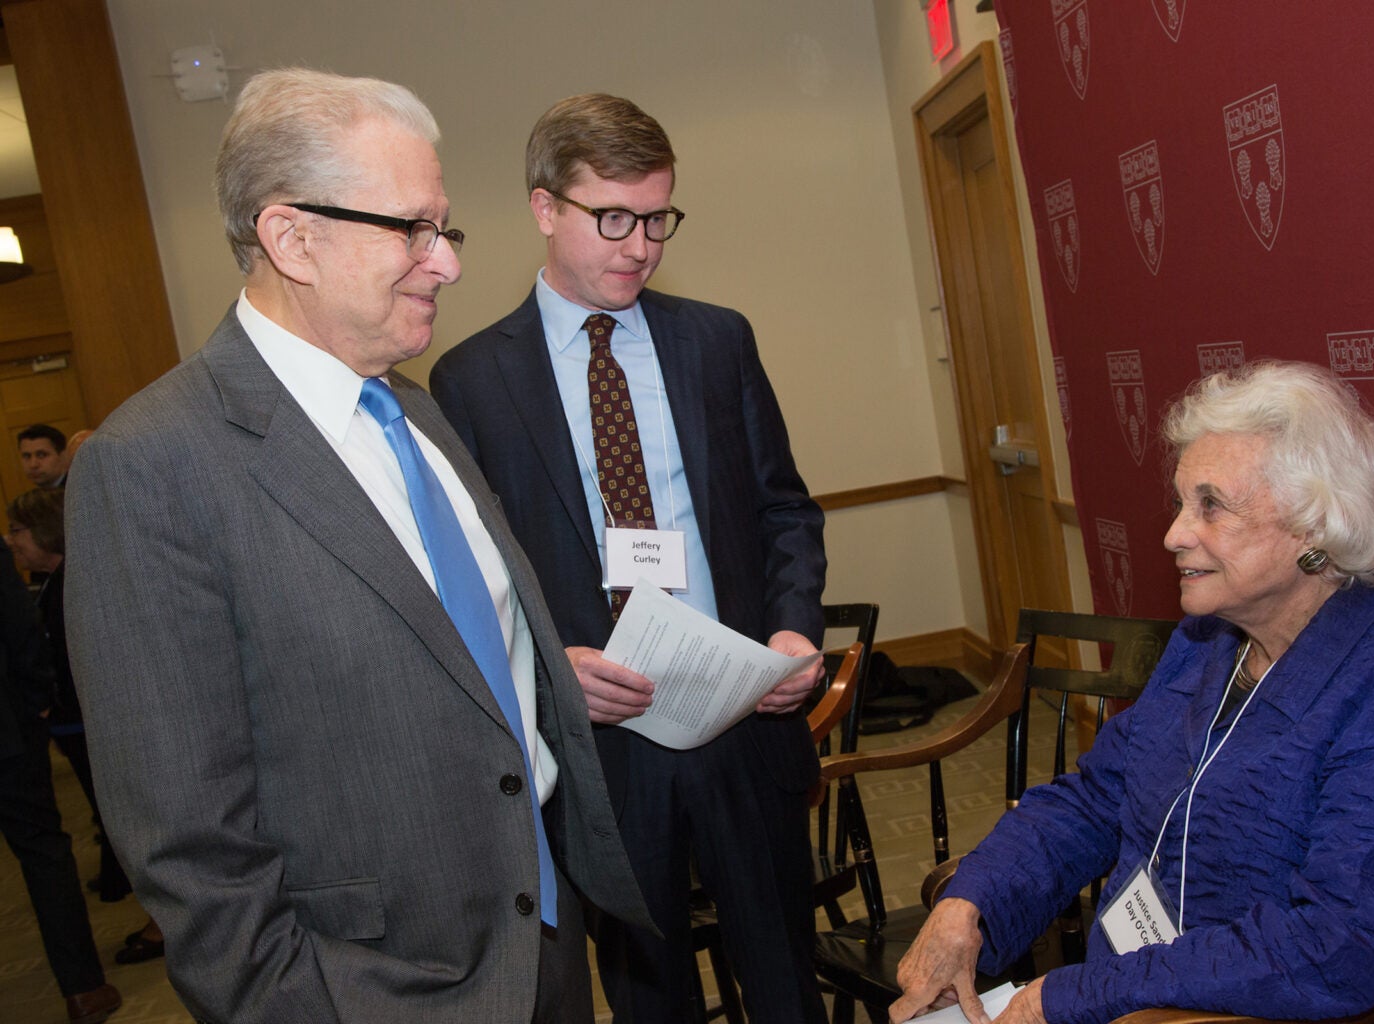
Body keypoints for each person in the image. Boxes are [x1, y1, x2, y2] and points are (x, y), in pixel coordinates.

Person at [64, 68, 649, 1023]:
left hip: (541, 938)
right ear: (292, 237)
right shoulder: (152, 464)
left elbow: (434, 653)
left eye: (444, 229)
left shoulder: (416, 410)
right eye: (413, 229)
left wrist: (532, 677)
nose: (448, 263)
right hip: (375, 990)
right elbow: (189, 845)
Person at [890, 360, 1374, 1024]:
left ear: (1315, 528)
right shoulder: (1205, 643)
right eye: (1182, 502)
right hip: (1140, 996)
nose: (1174, 534)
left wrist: (1070, 997)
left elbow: (1338, 948)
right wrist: (972, 902)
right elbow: (1101, 797)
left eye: (1212, 505)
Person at [430, 93, 828, 1023]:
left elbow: (786, 510)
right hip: (603, 743)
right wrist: (548, 673)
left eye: (658, 219)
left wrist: (792, 628)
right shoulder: (474, 382)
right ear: (543, 209)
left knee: (783, 978)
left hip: (741, 714)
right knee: (651, 994)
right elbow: (476, 580)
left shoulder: (715, 342)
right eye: (612, 217)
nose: (639, 245)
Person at [0, 545, 121, 1022]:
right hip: (9, 733)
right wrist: (37, 701)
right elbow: (20, 628)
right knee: (44, 851)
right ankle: (83, 989)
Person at [6, 488, 133, 907]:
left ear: (44, 530)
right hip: (71, 721)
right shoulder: (52, 583)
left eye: (18, 530)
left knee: (121, 819)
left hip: (87, 722)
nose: (12, 541)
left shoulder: (73, 585)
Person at [17, 423, 68, 488]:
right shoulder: (34, 495)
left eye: (41, 455)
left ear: (63, 457)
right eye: (27, 456)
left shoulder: (78, 490)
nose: (33, 465)